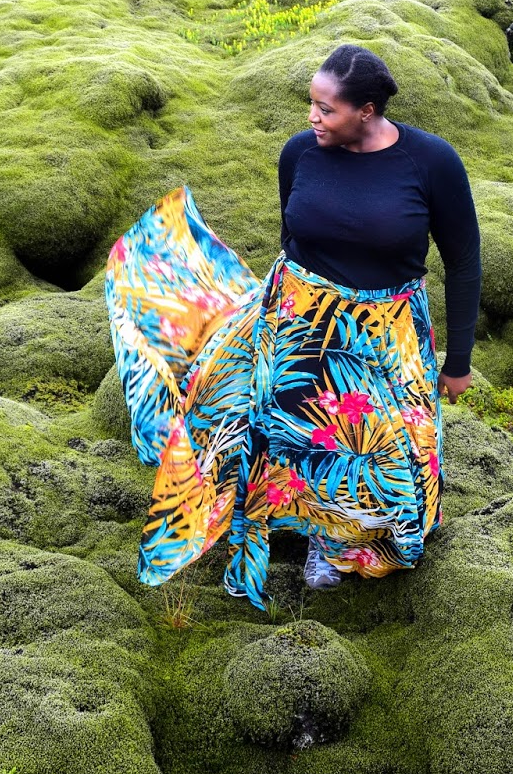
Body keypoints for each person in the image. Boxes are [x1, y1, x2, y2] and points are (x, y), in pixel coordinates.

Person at [104, 43, 482, 611]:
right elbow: (294, 237)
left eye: (326, 109)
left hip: (386, 331)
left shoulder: (431, 162)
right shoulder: (300, 152)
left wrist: (458, 361)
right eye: (311, 104)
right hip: (297, 320)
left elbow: (464, 262)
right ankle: (309, 533)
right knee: (288, 434)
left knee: (384, 454)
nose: (313, 118)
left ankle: (346, 537)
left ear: (367, 110)